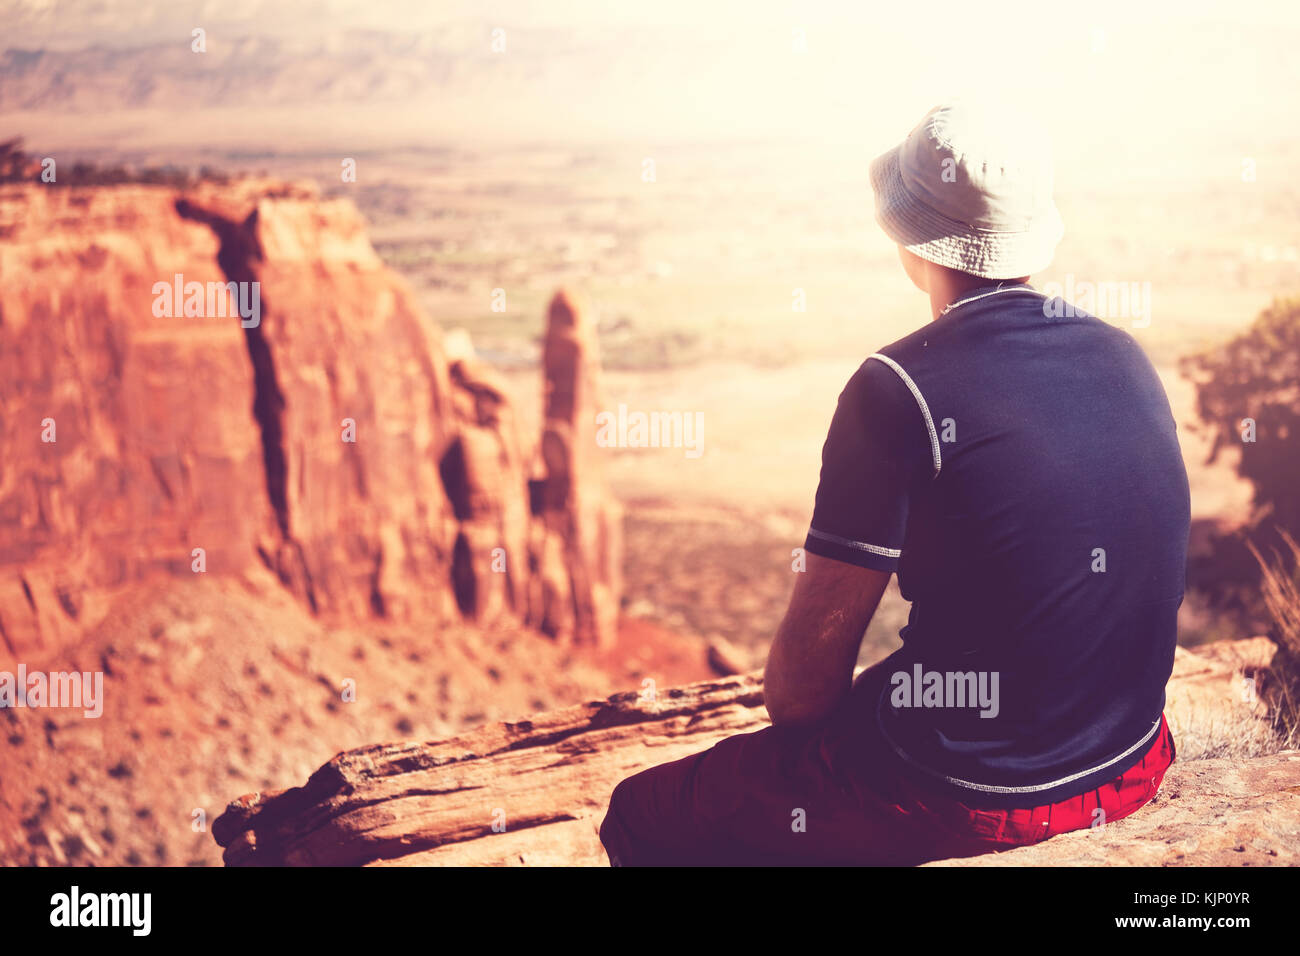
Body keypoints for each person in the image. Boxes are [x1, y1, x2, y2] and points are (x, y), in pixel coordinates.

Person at [598, 101, 1191, 866]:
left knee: (642, 813)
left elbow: (799, 697)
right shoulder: (1124, 354)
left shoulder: (897, 388)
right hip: (1136, 762)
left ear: (912, 242)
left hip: (970, 795)